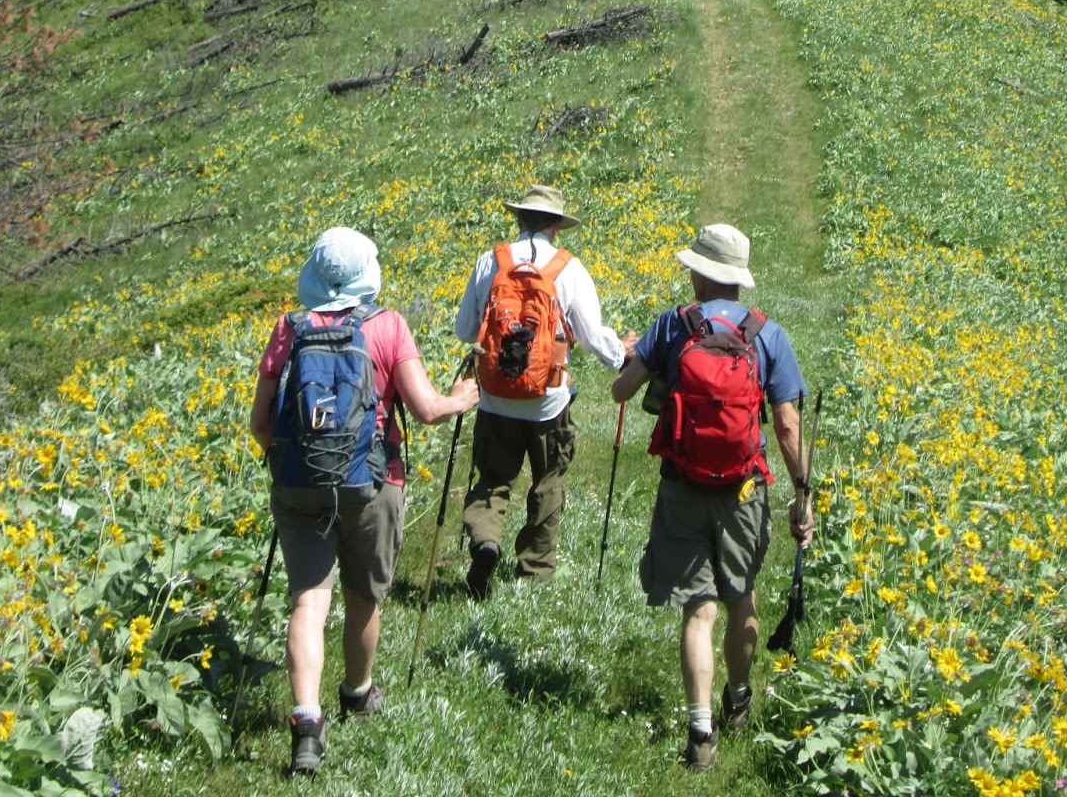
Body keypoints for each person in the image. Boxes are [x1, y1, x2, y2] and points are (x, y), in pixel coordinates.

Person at [249, 227, 478, 776]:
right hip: (372, 483)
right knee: (363, 595)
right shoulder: (387, 325)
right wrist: (461, 399)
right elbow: (423, 408)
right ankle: (356, 691)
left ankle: (306, 722)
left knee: (308, 600)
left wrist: (299, 460)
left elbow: (260, 425)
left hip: (300, 484)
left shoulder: (288, 329)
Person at [611, 222, 814, 773]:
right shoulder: (767, 335)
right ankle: (739, 698)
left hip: (682, 486)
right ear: (740, 280)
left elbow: (621, 391)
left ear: (701, 273)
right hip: (744, 490)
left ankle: (700, 731)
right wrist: (803, 496)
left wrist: (632, 356)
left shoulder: (673, 326)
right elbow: (789, 426)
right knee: (741, 597)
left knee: (697, 611)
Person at [455, 183, 636, 597]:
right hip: (547, 401)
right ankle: (534, 570)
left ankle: (485, 541)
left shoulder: (491, 261)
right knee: (548, 480)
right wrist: (621, 355)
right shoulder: (569, 269)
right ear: (557, 225)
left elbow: (466, 330)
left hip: (496, 397)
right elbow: (591, 336)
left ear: (519, 218)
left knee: (493, 478)